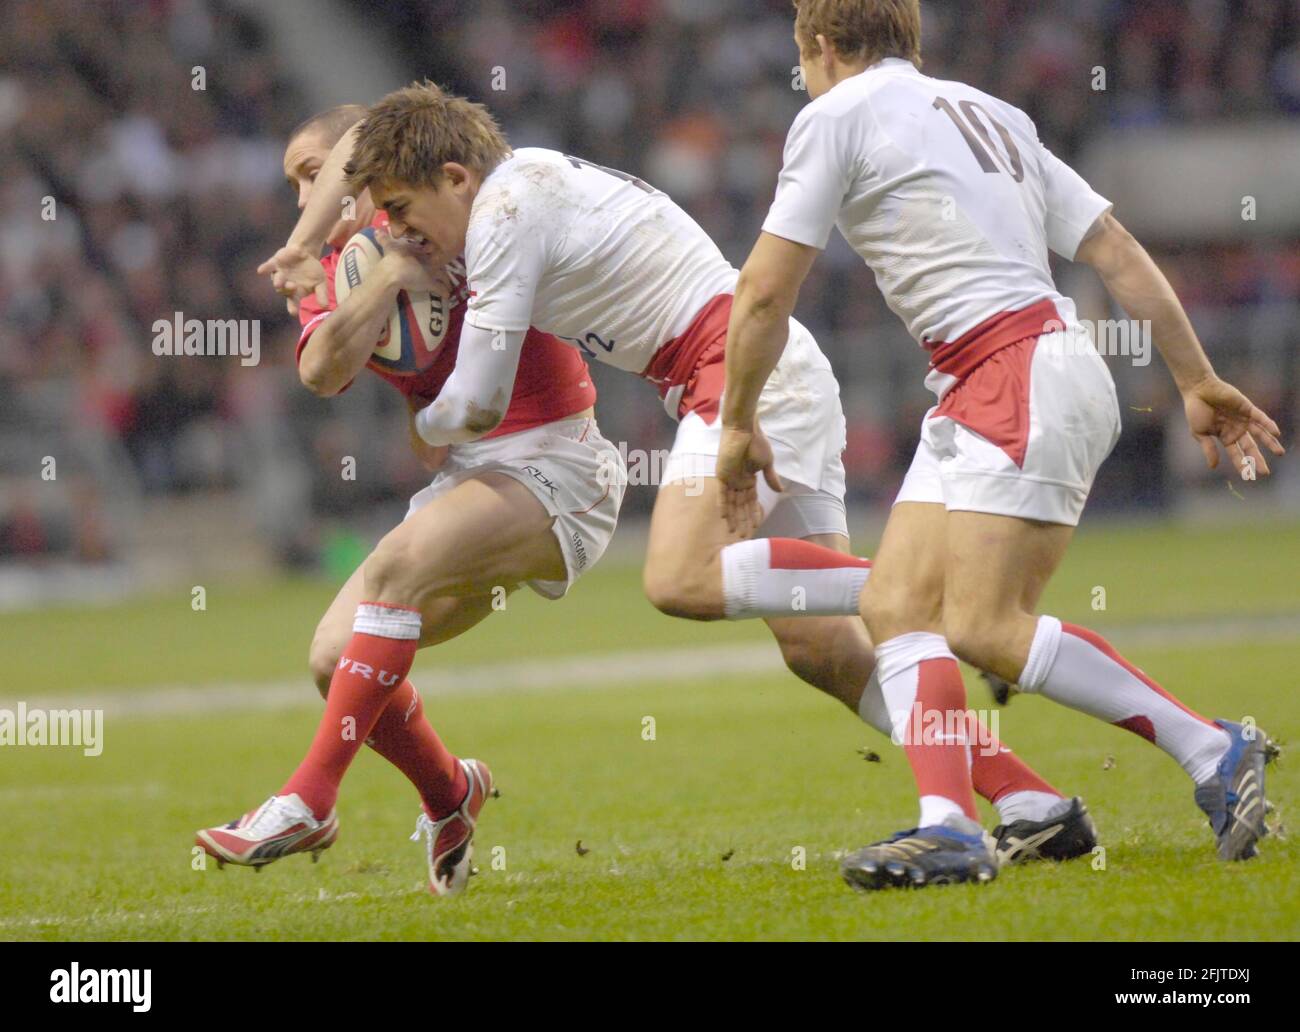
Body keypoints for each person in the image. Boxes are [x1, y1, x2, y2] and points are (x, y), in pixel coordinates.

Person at [260, 85, 1097, 877]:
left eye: (398, 205)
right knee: (824, 651)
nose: (398, 223)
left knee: (680, 577)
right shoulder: (496, 201)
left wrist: (416, 406)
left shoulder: (507, 208)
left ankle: (923, 595)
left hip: (738, 372)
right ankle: (1029, 796)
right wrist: (336, 262)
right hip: (761, 372)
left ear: (446, 176)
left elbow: (470, 404)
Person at [717, 0, 1282, 890]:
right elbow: (1115, 247)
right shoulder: (994, 112)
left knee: (982, 626)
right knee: (898, 605)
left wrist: (736, 423)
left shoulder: (834, 114)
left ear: (820, 48)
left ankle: (1212, 747)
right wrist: (1194, 378)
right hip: (1010, 370)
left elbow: (759, 295)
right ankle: (948, 825)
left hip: (1013, 371)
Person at [195, 106, 623, 897]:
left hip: (560, 461)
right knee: (333, 660)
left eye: (311, 175)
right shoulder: (335, 270)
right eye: (293, 187)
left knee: (389, 568)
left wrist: (338, 235)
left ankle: (309, 799)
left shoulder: (451, 205)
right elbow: (322, 372)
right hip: (471, 476)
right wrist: (383, 278)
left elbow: (363, 133)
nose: (303, 201)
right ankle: (450, 795)